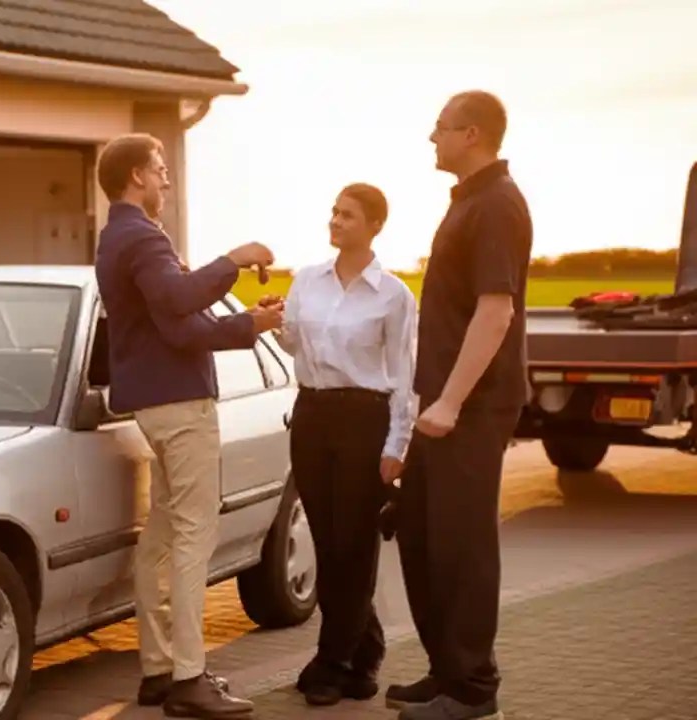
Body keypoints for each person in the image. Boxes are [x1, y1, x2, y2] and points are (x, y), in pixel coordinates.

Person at [92, 132, 282, 718]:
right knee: (196, 538)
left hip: (154, 404)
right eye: (159, 168)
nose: (167, 178)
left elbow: (177, 327)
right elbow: (179, 301)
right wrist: (236, 258)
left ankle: (159, 669)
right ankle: (189, 678)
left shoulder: (116, 237)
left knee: (161, 539)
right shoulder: (143, 237)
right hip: (180, 408)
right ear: (135, 178)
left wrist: (250, 324)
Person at [387, 91, 533, 720]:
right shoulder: (469, 201)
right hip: (441, 408)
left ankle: (473, 691)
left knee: (463, 546)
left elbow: (497, 311)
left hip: (469, 409)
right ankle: (448, 670)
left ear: (471, 134)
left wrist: (449, 402)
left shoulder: (498, 205)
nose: (431, 137)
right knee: (420, 536)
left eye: (440, 128)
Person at [269, 183, 416, 707]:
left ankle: (331, 661)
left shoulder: (393, 295)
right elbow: (292, 342)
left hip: (363, 419)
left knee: (353, 543)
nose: (336, 221)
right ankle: (366, 651)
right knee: (328, 542)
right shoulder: (307, 279)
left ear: (375, 225)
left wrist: (398, 442)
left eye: (348, 215)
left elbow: (404, 376)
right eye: (334, 212)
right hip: (311, 414)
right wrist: (278, 320)